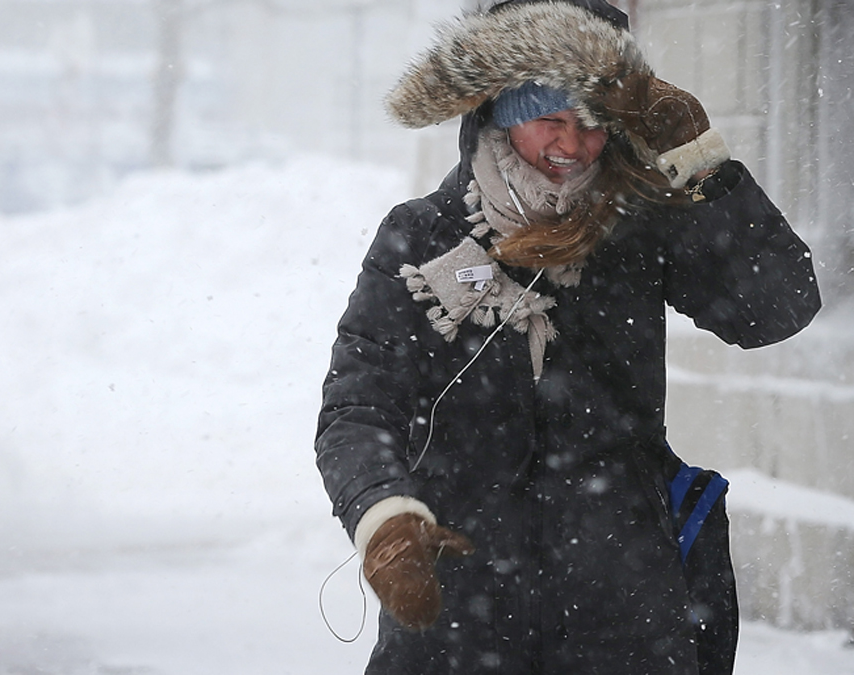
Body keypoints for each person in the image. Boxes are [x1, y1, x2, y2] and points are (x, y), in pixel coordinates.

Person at [314, 1, 821, 673]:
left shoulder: (639, 228)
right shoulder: (422, 235)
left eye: (592, 124)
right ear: (498, 110)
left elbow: (776, 307)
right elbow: (357, 407)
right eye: (550, 119)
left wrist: (700, 162)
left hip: (623, 616)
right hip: (459, 617)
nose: (573, 146)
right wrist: (382, 515)